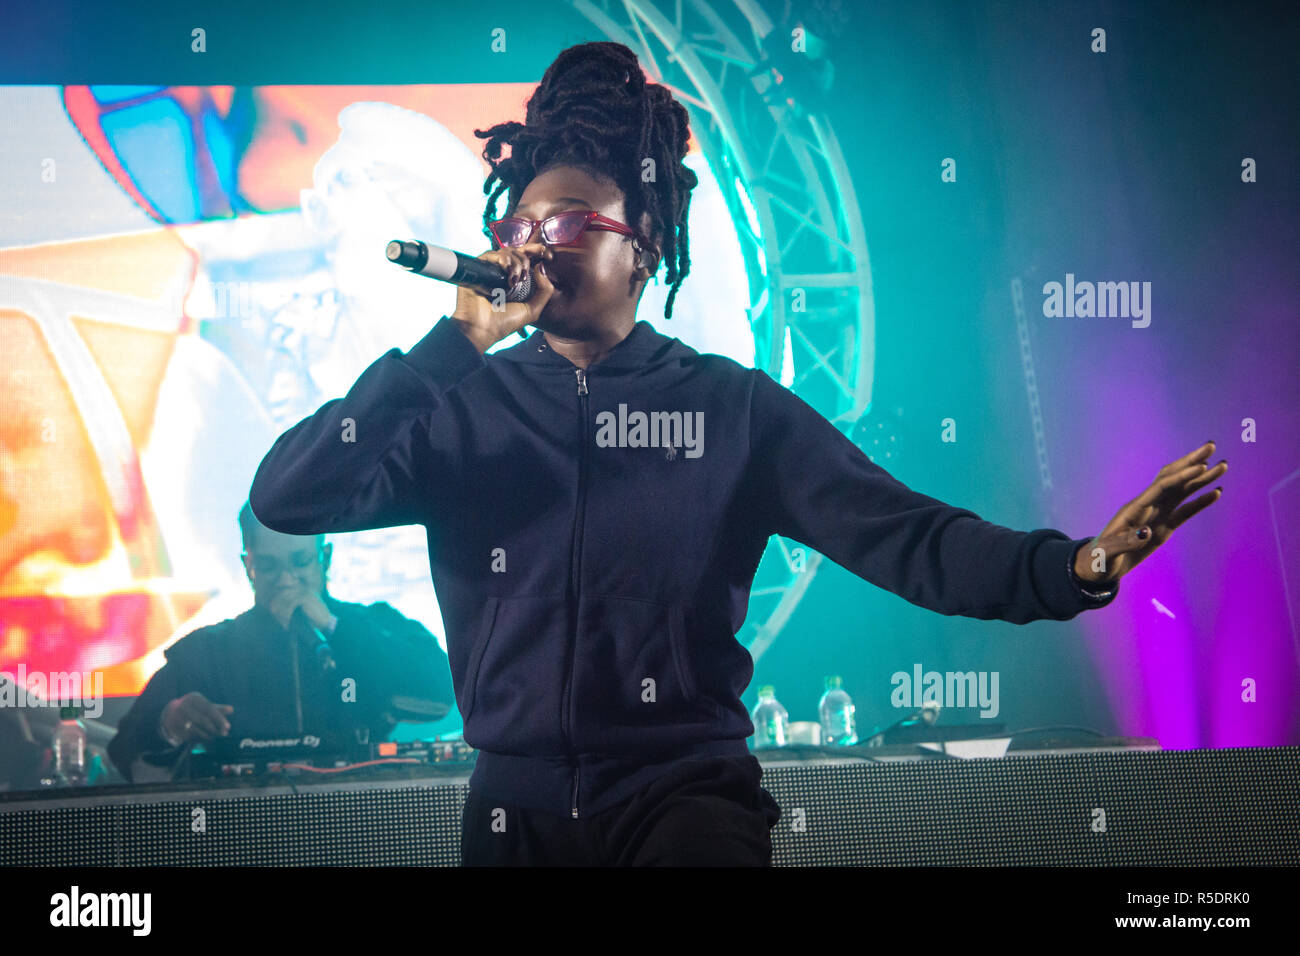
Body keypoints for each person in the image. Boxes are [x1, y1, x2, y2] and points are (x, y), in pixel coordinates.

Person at [248, 42, 1227, 866]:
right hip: (514, 814)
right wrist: (449, 348)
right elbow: (291, 492)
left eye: (572, 225)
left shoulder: (730, 408)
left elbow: (908, 536)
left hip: (684, 804)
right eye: (521, 227)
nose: (538, 247)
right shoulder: (460, 406)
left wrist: (1075, 566)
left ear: (642, 244)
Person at [107, 502, 455, 782]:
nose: (287, 580)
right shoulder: (207, 651)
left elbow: (438, 695)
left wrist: (333, 627)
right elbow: (123, 752)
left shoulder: (375, 625)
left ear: (326, 558)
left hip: (356, 817)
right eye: (269, 567)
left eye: (300, 562)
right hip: (241, 831)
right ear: (248, 567)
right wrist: (169, 724)